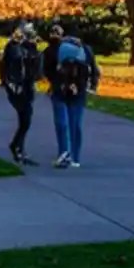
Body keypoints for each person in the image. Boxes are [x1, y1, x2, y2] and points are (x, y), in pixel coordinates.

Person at [42, 25, 100, 169]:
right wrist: (92, 85)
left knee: (62, 123)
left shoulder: (53, 50)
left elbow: (46, 70)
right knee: (76, 124)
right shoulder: (86, 50)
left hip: (59, 90)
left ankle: (64, 152)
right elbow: (94, 70)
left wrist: (55, 82)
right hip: (78, 91)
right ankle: (75, 157)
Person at [0, 27, 41, 166]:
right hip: (19, 88)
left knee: (25, 119)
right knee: (25, 118)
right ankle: (17, 147)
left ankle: (18, 147)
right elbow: (17, 67)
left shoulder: (27, 50)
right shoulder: (16, 49)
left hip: (24, 87)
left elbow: (35, 71)